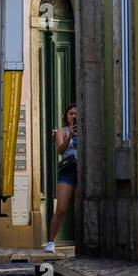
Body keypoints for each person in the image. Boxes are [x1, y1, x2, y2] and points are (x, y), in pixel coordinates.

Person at [44, 104, 78, 255]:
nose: (73, 116)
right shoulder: (61, 131)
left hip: (83, 171)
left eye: (76, 113)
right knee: (61, 209)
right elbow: (60, 150)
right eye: (71, 113)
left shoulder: (86, 130)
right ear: (66, 116)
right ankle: (51, 242)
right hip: (67, 171)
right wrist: (69, 135)